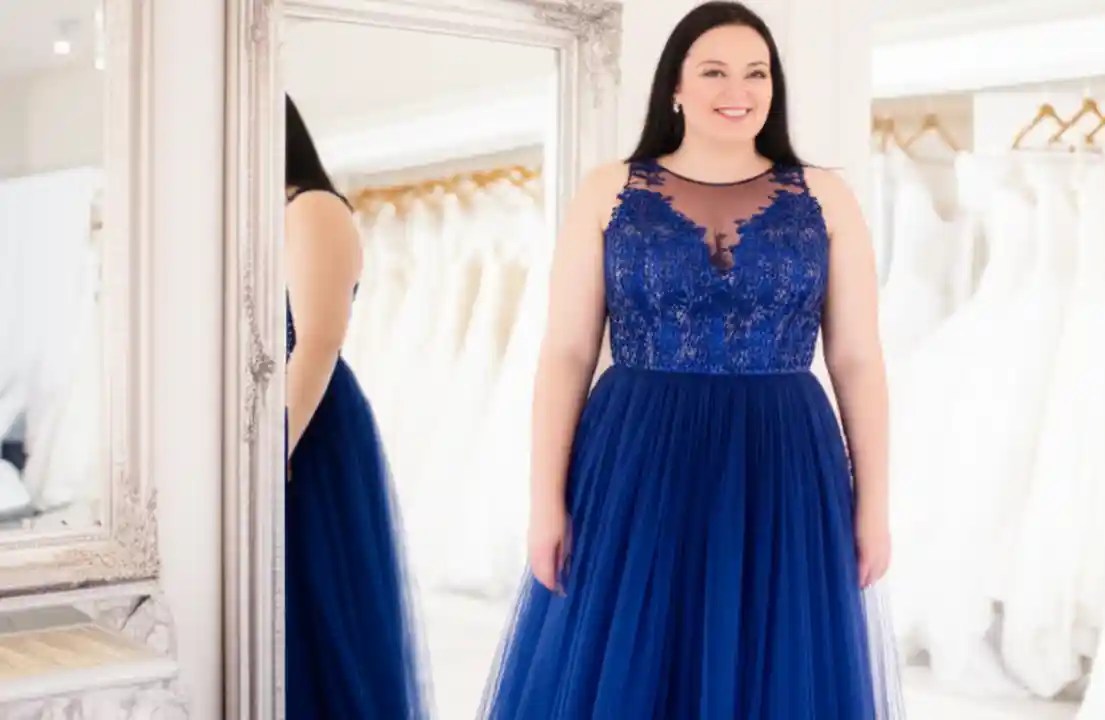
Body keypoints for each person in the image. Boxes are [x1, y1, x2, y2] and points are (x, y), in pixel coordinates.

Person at [480, 3, 904, 717]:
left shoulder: (826, 196)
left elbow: (858, 359)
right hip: (636, 458)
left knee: (774, 660)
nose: (737, 89)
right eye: (713, 70)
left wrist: (876, 505)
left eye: (755, 72)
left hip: (783, 462)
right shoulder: (607, 190)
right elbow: (567, 352)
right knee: (636, 663)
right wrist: (544, 501)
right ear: (674, 86)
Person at [283, 94, 432, 719]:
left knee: (320, 620)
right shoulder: (244, 214)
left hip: (304, 427)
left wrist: (269, 449)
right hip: (263, 426)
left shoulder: (312, 207)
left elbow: (318, 337)